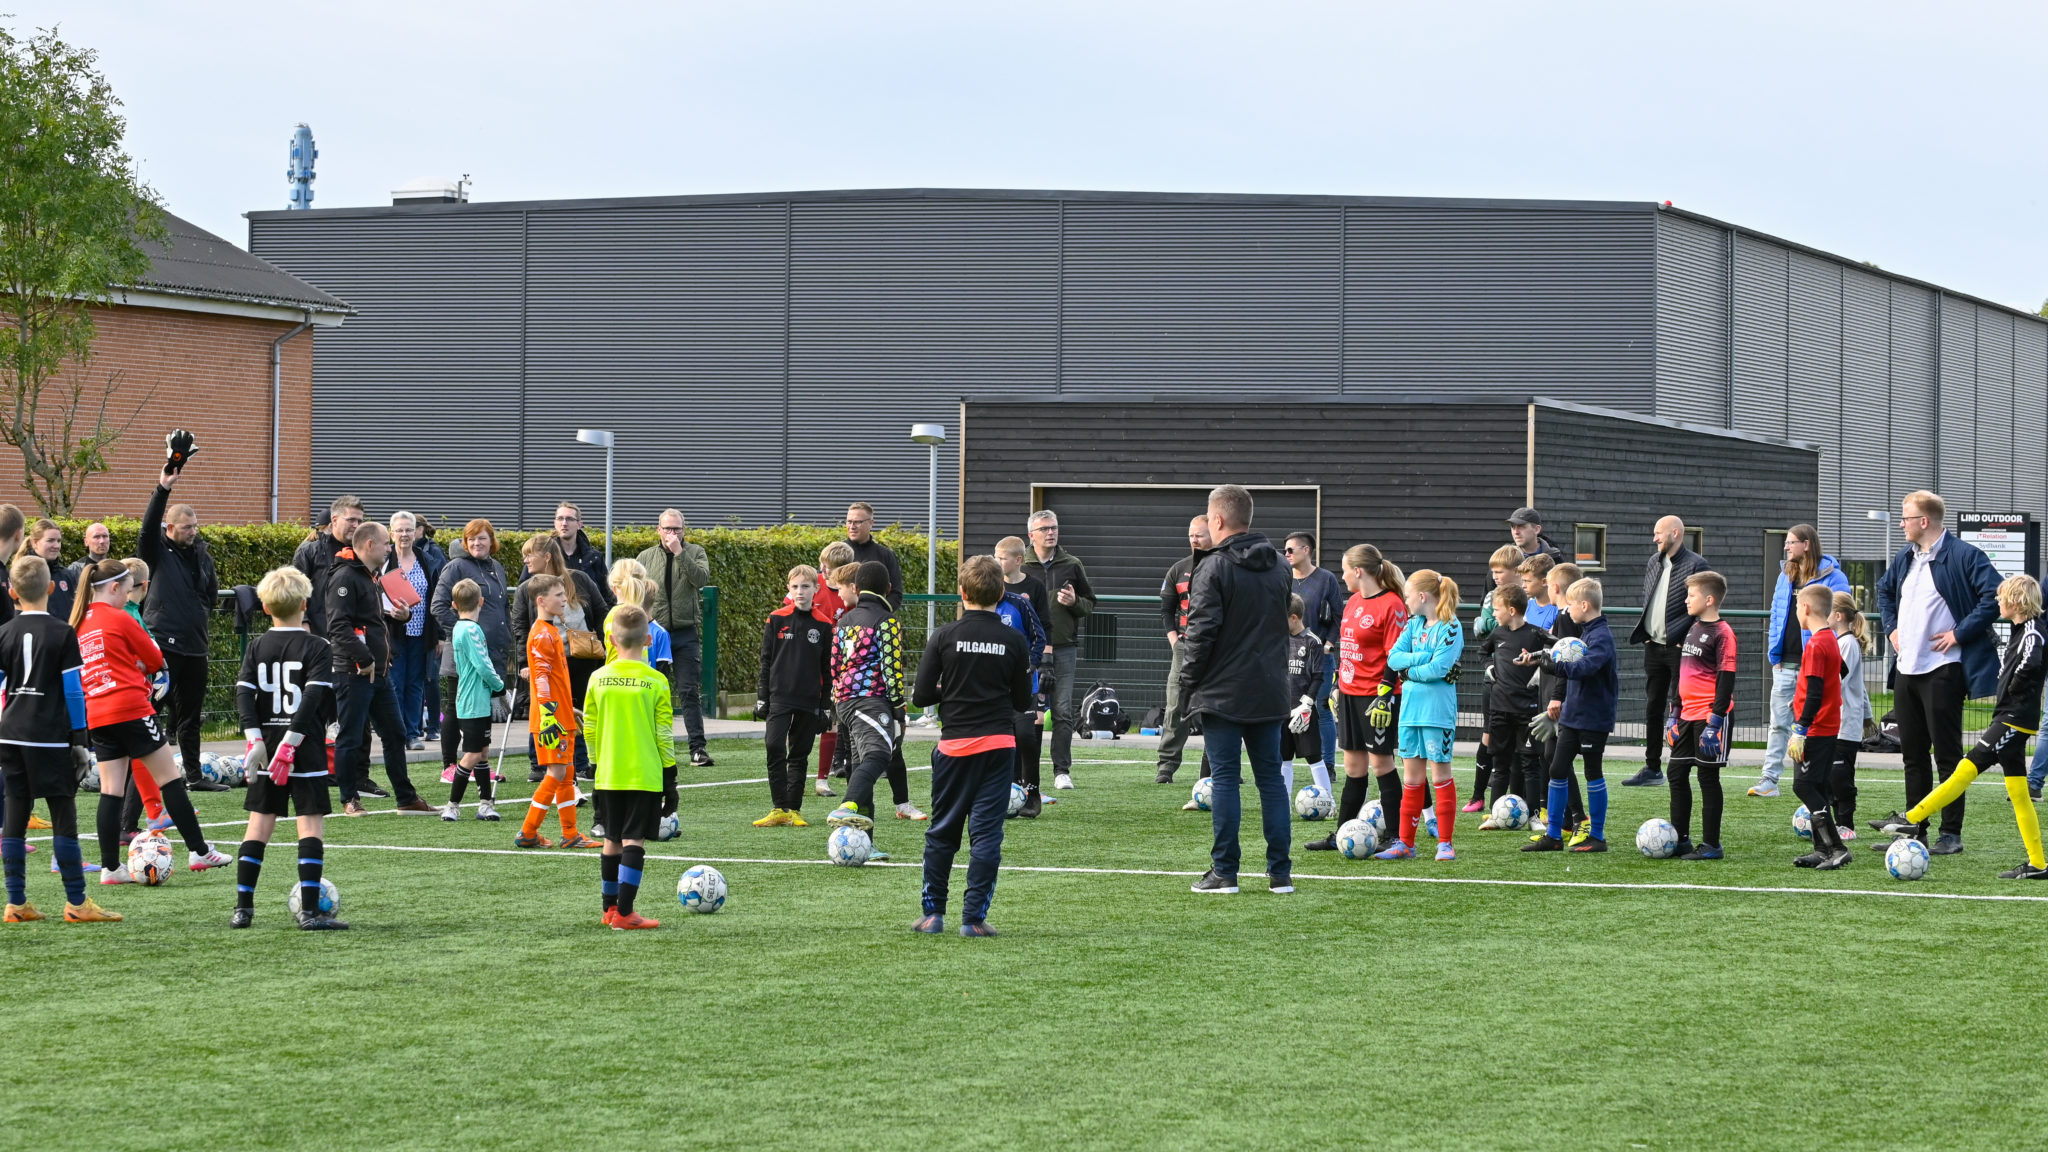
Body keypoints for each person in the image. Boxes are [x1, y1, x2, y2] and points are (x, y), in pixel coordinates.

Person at [72, 558, 231, 880]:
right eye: (128, 590)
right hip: (130, 708)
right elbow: (156, 658)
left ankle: (111, 868)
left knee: (111, 790)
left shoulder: (78, 622)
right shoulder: (120, 617)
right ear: (115, 587)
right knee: (170, 779)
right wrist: (138, 666)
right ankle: (201, 852)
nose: (131, 596)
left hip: (97, 714)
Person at [1880, 575, 2048, 878]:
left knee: (1965, 769)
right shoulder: (2021, 629)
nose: (1997, 602)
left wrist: (2013, 690)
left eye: (2001, 597)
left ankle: (1913, 818)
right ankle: (2037, 863)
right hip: (2012, 717)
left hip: (2013, 719)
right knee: (2020, 794)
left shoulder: (2033, 631)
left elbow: (2032, 663)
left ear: (2016, 601)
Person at [1871, 490, 2002, 854]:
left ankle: (1951, 835)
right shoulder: (1905, 557)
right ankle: (1914, 829)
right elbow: (1884, 591)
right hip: (1907, 669)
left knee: (1947, 756)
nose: (1901, 524)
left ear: (1923, 521)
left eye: (1905, 518)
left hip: (1944, 670)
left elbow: (1995, 595)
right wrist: (1892, 628)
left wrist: (1960, 633)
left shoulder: (1963, 555)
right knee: (1912, 755)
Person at [910, 556, 1033, 936]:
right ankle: (974, 919)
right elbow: (1022, 702)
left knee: (942, 832)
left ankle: (933, 915)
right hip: (998, 748)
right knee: (986, 836)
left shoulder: (944, 636)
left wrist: (951, 690)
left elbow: (920, 696)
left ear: (961, 594)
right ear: (1001, 593)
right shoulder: (1014, 639)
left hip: (954, 748)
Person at [1180, 486, 1291, 895]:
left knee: (1225, 779)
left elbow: (1201, 633)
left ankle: (1225, 872)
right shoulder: (1281, 566)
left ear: (1219, 521)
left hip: (1223, 692)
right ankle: (1280, 873)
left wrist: (1186, 684)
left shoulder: (1212, 567)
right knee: (1271, 781)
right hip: (1270, 689)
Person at [1, 553, 117, 924]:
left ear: (11, 592)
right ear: (51, 588)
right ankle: (77, 903)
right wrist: (81, 740)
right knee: (63, 814)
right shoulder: (63, 632)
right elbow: (72, 692)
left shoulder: (3, 632)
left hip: (11, 735)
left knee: (15, 815)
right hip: (49, 736)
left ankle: (16, 904)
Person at [230, 566, 347, 929]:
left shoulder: (256, 645)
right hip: (305, 747)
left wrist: (255, 741)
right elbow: (313, 698)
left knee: (258, 828)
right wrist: (291, 744)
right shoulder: (318, 646)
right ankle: (310, 912)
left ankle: (243, 910)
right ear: (304, 604)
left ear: (265, 608)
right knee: (309, 826)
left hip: (264, 748)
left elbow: (244, 695)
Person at [1304, 545, 1408, 853]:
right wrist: (1337, 684)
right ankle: (1341, 834)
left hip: (1375, 697)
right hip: (1349, 694)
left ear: (1358, 571)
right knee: (1353, 767)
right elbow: (1346, 649)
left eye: (1345, 569)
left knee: (1382, 764)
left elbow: (1396, 655)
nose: (1343, 575)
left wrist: (1385, 693)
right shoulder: (1352, 603)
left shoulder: (1392, 605)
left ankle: (1394, 836)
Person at [325, 522, 432, 816]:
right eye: (386, 543)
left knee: (395, 734)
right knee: (351, 736)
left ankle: (406, 798)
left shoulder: (370, 576)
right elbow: (338, 626)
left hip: (377, 672)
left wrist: (400, 616)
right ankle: (349, 799)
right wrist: (365, 659)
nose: (390, 548)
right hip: (354, 671)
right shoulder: (346, 576)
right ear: (370, 545)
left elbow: (372, 621)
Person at [586, 604, 678, 930]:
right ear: (649, 640)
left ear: (610, 638)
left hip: (608, 774)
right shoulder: (656, 682)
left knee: (612, 839)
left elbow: (591, 729)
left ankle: (609, 909)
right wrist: (671, 779)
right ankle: (625, 914)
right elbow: (663, 735)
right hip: (644, 775)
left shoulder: (597, 679)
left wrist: (597, 767)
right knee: (633, 841)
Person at [138, 457, 224, 792]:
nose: (193, 531)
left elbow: (211, 594)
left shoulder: (202, 555)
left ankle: (194, 776)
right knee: (150, 709)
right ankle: (141, 775)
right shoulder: (157, 552)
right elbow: (147, 528)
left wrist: (199, 612)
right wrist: (163, 488)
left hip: (195, 646)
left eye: (195, 526)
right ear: (171, 529)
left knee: (191, 716)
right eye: (187, 527)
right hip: (163, 646)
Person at [1750, 525, 1853, 798]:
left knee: (1817, 726)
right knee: (1779, 723)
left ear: (1806, 544)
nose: (1786, 547)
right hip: (1785, 662)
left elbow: (1841, 617)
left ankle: (1818, 785)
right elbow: (1775, 613)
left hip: (1816, 665)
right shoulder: (1786, 575)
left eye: (1791, 542)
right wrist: (1775, 653)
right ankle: (1769, 780)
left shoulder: (1835, 577)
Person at [1521, 577, 1619, 853]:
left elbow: (1583, 667)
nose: (1568, 610)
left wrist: (1550, 664)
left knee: (1591, 771)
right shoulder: (1587, 632)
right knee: (1556, 768)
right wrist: (1543, 656)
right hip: (1574, 715)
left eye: (1572, 605)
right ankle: (1553, 835)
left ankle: (1597, 837)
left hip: (1593, 717)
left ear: (1584, 605)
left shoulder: (1601, 637)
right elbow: (1570, 659)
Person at [1379, 569, 1465, 861]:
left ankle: (1445, 843)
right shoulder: (1414, 625)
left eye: (1406, 596)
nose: (1405, 602)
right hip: (1410, 713)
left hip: (1436, 713)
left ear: (1422, 596)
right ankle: (1405, 843)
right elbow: (1393, 657)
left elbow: (1439, 669)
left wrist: (1408, 672)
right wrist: (1419, 660)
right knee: (1412, 779)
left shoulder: (1451, 626)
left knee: (1440, 775)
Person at [825, 561, 908, 861]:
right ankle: (847, 805)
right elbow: (892, 667)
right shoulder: (887, 621)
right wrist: (899, 706)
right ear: (888, 589)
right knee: (879, 756)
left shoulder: (844, 621)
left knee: (861, 766)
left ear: (856, 589)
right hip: (870, 700)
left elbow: (833, 664)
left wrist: (837, 700)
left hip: (844, 700)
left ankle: (866, 843)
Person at [511, 535, 606, 782]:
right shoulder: (527, 588)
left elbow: (601, 612)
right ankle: (540, 763)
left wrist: (604, 646)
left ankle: (581, 762)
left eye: (529, 554)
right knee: (545, 708)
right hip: (547, 661)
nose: (525, 560)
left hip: (582, 657)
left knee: (580, 710)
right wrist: (524, 663)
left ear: (547, 557)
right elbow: (521, 626)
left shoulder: (580, 579)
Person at [1624, 516, 1709, 788]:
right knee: (1653, 706)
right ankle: (1652, 767)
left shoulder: (1696, 564)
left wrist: (1685, 638)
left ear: (1675, 533)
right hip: (1653, 646)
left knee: (1680, 705)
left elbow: (1704, 604)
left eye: (1658, 533)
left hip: (1679, 648)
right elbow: (1649, 598)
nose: (1655, 538)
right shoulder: (1653, 561)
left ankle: (1680, 762)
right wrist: (1648, 634)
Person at [516, 574, 598, 849]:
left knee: (566, 773)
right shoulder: (541, 635)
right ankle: (528, 832)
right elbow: (540, 681)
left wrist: (567, 707)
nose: (565, 599)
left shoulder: (550, 631)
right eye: (558, 595)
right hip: (551, 719)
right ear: (541, 600)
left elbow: (553, 680)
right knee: (556, 774)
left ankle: (571, 833)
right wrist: (553, 717)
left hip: (559, 714)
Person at [432, 520, 514, 783]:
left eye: (482, 538)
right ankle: (449, 766)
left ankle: (479, 763)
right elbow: (438, 606)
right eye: (471, 539)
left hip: (494, 655)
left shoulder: (497, 568)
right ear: (465, 543)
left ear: (492, 541)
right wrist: (463, 635)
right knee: (454, 711)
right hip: (462, 661)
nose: (477, 544)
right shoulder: (456, 567)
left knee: (482, 713)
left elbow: (502, 610)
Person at [1663, 571, 1737, 860]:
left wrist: (1716, 720)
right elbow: (1679, 675)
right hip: (1686, 715)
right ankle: (1680, 838)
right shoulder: (1691, 628)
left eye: (1691, 595)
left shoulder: (1724, 633)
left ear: (1709, 599)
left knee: (1707, 777)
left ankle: (1711, 845)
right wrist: (1674, 712)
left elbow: (1726, 678)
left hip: (1710, 717)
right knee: (1676, 772)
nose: (1686, 600)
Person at [753, 565, 832, 828]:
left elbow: (827, 670)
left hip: (809, 701)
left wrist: (826, 706)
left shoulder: (823, 624)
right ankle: (779, 808)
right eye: (795, 586)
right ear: (789, 588)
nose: (800, 591)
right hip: (779, 697)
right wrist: (762, 697)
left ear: (816, 590)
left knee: (799, 754)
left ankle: (794, 809)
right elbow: (766, 661)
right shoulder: (775, 619)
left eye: (806, 586)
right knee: (774, 746)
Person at [1023, 510, 1095, 791]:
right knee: (1028, 712)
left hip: (1064, 648)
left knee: (1062, 710)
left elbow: (1090, 603)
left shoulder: (1072, 564)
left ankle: (1061, 770)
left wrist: (1075, 601)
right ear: (1032, 535)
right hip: (1027, 649)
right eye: (1044, 529)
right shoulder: (1020, 565)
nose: (1050, 533)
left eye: (1053, 527)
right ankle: (1024, 771)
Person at [635, 508, 713, 767]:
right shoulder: (645, 557)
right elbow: (634, 592)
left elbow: (701, 580)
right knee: (650, 692)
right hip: (653, 633)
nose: (672, 533)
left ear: (684, 530)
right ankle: (648, 747)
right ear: (658, 530)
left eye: (676, 529)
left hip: (684, 633)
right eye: (667, 528)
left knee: (689, 690)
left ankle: (697, 749)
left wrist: (680, 552)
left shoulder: (695, 552)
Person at [1785, 584, 1851, 869]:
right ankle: (1821, 850)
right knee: (1820, 786)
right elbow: (1838, 672)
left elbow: (1814, 691)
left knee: (1803, 785)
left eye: (1798, 606)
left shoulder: (1815, 643)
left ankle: (1836, 847)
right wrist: (1801, 698)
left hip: (1816, 728)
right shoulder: (1830, 639)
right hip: (1827, 724)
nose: (1797, 611)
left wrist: (1800, 727)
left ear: (1807, 608)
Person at [1476, 582, 1548, 828]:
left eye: (1497, 609)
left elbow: (1555, 651)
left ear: (1512, 610)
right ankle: (1496, 815)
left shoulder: (1536, 634)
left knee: (1530, 763)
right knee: (1500, 764)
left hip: (1526, 710)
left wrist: (1539, 668)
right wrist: (1489, 667)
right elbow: (1481, 653)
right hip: (1499, 708)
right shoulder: (1497, 634)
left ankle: (1534, 816)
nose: (1494, 614)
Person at [442, 578, 506, 823]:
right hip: (473, 702)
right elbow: (483, 665)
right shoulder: (470, 630)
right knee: (471, 754)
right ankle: (452, 805)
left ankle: (486, 804)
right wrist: (500, 688)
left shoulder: (460, 627)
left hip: (474, 700)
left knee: (482, 752)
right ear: (481, 601)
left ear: (454, 605)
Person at [1467, 544, 1526, 811]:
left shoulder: (1528, 596)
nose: (1495, 576)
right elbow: (1481, 628)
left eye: (1500, 571)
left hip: (1521, 681)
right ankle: (1478, 795)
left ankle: (1519, 798)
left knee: (1519, 742)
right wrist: (1492, 622)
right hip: (1495, 679)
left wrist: (1492, 623)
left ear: (1517, 571)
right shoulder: (1492, 596)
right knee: (1488, 734)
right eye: (1493, 571)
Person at [1155, 516, 1213, 784]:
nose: (1194, 539)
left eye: (1199, 535)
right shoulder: (1178, 569)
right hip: (1184, 647)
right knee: (1175, 705)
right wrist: (1174, 642)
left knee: (1217, 707)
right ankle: (1166, 766)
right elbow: (1166, 609)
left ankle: (1219, 766)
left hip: (1217, 649)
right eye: (1191, 534)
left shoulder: (1223, 567)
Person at [992, 552, 1049, 818]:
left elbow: (1040, 636)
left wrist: (1032, 666)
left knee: (1026, 736)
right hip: (996, 685)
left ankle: (1033, 793)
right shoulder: (980, 606)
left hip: (1025, 682)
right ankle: (1011, 793)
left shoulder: (1020, 603)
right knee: (1005, 739)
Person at [1286, 532, 1344, 785]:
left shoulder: (1326, 579)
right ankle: (1285, 762)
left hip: (1319, 655)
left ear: (1306, 550)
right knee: (1286, 709)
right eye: (1285, 550)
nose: (1286, 554)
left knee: (1320, 709)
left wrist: (1329, 644)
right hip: (1288, 655)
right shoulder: (1283, 578)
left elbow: (1338, 615)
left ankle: (1327, 764)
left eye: (1290, 549)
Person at [383, 511, 443, 749]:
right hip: (392, 633)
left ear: (417, 531)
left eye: (409, 529)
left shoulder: (427, 561)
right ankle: (397, 733)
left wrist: (440, 636)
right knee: (395, 682)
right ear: (391, 533)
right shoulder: (384, 561)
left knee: (416, 683)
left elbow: (437, 600)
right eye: (400, 530)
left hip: (421, 633)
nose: (404, 535)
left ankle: (413, 733)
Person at [811, 540, 857, 796]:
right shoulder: (811, 584)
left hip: (836, 666)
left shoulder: (849, 596)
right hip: (807, 664)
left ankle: (821, 779)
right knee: (799, 721)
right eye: (823, 565)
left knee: (831, 722)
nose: (823, 570)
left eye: (828, 567)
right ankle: (790, 771)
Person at [293, 495, 366, 636]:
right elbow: (296, 592)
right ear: (334, 520)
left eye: (359, 521)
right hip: (320, 633)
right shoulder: (310, 551)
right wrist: (303, 623)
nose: (356, 525)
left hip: (355, 638)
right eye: (351, 520)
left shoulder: (363, 552)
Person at [1829, 593, 1869, 839]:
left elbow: (1838, 681)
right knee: (1831, 777)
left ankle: (1846, 824)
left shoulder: (1847, 644)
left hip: (1844, 724)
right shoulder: (1840, 642)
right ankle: (1836, 822)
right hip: (1837, 723)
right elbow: (1860, 686)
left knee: (1841, 777)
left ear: (1839, 616)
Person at [1280, 594, 1328, 800]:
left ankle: (1328, 800)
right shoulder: (1278, 640)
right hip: (1281, 709)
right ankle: (1284, 800)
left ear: (1293, 618)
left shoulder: (1312, 642)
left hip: (1304, 710)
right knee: (1283, 758)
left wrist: (1307, 704)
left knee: (1313, 756)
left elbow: (1318, 677)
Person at [539, 502, 613, 610]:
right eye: (560, 518)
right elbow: (526, 592)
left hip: (587, 625)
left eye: (569, 519)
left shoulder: (594, 558)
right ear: (555, 523)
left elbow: (607, 595)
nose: (564, 523)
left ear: (579, 524)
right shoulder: (543, 556)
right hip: (551, 622)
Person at [843, 502, 905, 609]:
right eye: (849, 522)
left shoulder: (885, 555)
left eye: (858, 522)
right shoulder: (836, 552)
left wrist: (878, 611)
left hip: (874, 619)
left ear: (871, 523)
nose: (852, 527)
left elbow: (895, 593)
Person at [27, 519, 73, 623]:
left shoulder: (66, 575)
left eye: (59, 541)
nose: (56, 546)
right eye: (50, 540)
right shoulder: (23, 574)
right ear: (35, 542)